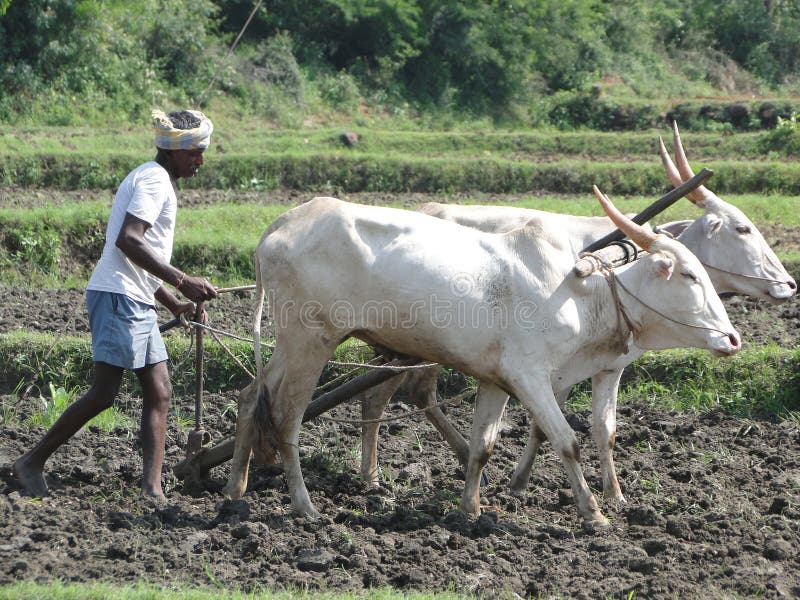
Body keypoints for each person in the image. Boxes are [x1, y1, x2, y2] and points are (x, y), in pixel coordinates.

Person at [13, 109, 218, 502]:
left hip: (133, 295)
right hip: (118, 296)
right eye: (194, 152)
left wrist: (175, 304)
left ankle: (152, 489)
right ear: (173, 151)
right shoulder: (155, 181)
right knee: (104, 394)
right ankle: (31, 462)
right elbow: (129, 240)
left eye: (202, 152)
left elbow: (137, 257)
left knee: (159, 392)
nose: (200, 161)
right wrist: (182, 281)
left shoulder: (155, 179)